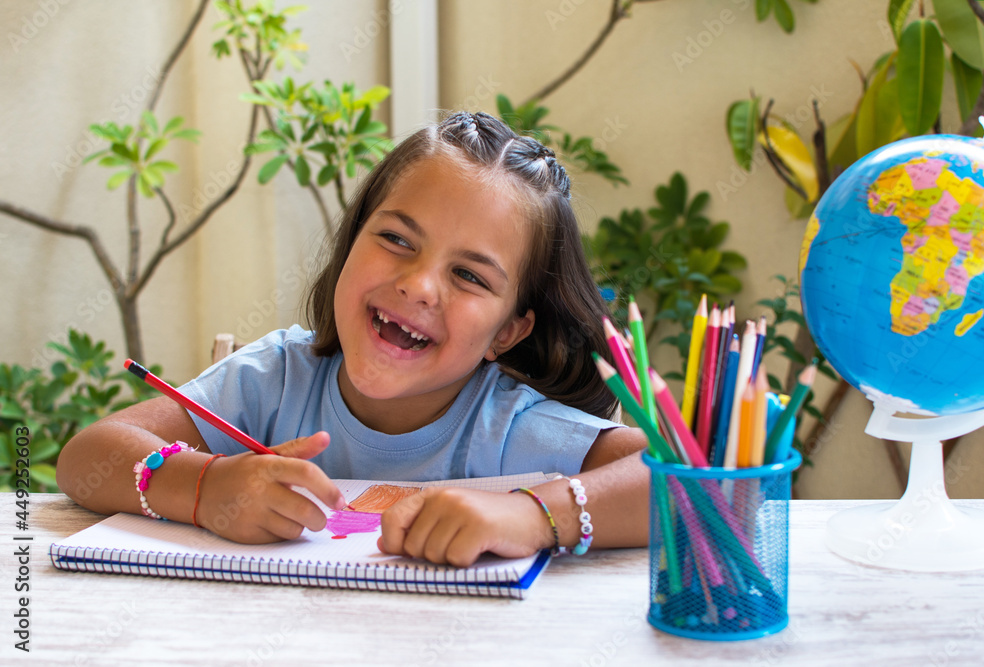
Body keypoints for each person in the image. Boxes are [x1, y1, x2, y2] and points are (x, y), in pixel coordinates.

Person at [56, 111, 650, 567]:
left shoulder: (508, 429)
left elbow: (684, 481)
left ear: (509, 330)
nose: (418, 285)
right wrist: (207, 487)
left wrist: (533, 515)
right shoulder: (271, 380)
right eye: (396, 239)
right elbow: (89, 455)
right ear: (351, 241)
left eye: (468, 276)